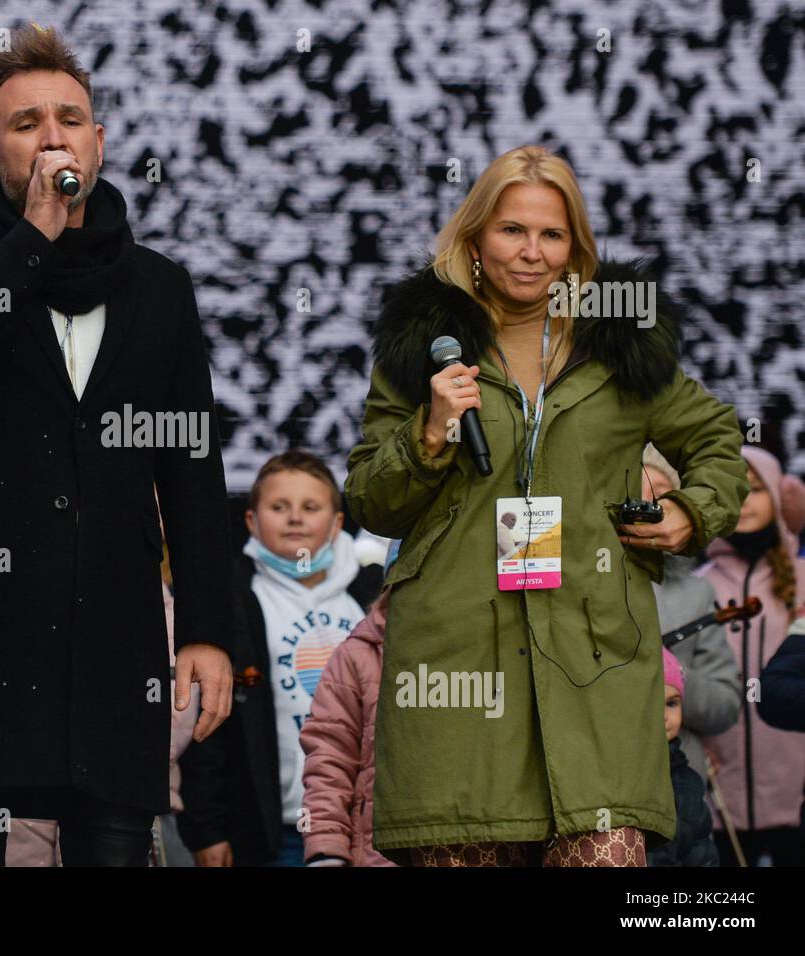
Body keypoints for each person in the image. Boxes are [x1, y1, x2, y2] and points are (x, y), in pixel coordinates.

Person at [0, 23, 233, 866]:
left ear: (99, 142)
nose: (52, 137)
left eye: (69, 119)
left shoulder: (160, 288)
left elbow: (190, 465)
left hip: (111, 623)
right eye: (26, 123)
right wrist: (31, 240)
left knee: (113, 839)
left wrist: (209, 630)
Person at [344, 144, 748, 866]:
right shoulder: (420, 351)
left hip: (596, 677)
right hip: (458, 681)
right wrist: (431, 432)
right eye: (511, 230)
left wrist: (692, 512)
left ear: (575, 248)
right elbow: (372, 501)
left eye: (552, 235)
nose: (531, 253)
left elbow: (717, 437)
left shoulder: (621, 345)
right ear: (473, 238)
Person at [178, 451, 379, 866]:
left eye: (311, 507)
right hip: (271, 830)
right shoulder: (231, 603)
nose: (295, 519)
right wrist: (207, 827)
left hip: (365, 825)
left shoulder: (372, 598)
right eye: (278, 507)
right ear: (251, 520)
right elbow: (206, 724)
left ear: (338, 522)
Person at [696, 446, 805, 866]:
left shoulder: (802, 578)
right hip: (719, 791)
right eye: (732, 489)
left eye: (755, 489)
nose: (743, 501)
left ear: (780, 496)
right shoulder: (699, 586)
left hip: (794, 786)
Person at [642, 443, 740, 787]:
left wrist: (673, 671)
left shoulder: (697, 594)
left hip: (679, 785)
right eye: (635, 493)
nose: (649, 504)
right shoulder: (579, 585)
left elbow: (725, 706)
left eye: (662, 492)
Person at [298, 586, 396, 866]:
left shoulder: (496, 645)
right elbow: (328, 757)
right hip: (377, 856)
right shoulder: (359, 653)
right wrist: (326, 849)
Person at [646, 649, 719, 866]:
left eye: (672, 703)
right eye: (651, 703)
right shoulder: (617, 776)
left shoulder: (686, 779)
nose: (664, 716)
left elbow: (701, 851)